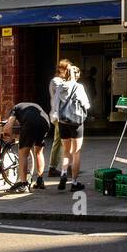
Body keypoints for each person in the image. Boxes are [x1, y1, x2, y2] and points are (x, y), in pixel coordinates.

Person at [51, 59, 91, 192]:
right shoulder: (78, 87)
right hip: (76, 122)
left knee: (66, 151)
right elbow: (86, 104)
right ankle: (74, 182)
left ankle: (63, 174)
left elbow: (56, 104)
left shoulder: (60, 86)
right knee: (76, 152)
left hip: (63, 122)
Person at [2, 101, 51, 192]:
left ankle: (23, 183)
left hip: (30, 123)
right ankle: (40, 180)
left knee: (23, 154)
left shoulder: (15, 108)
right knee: (39, 151)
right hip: (45, 122)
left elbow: (9, 126)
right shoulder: (32, 106)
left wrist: (6, 134)